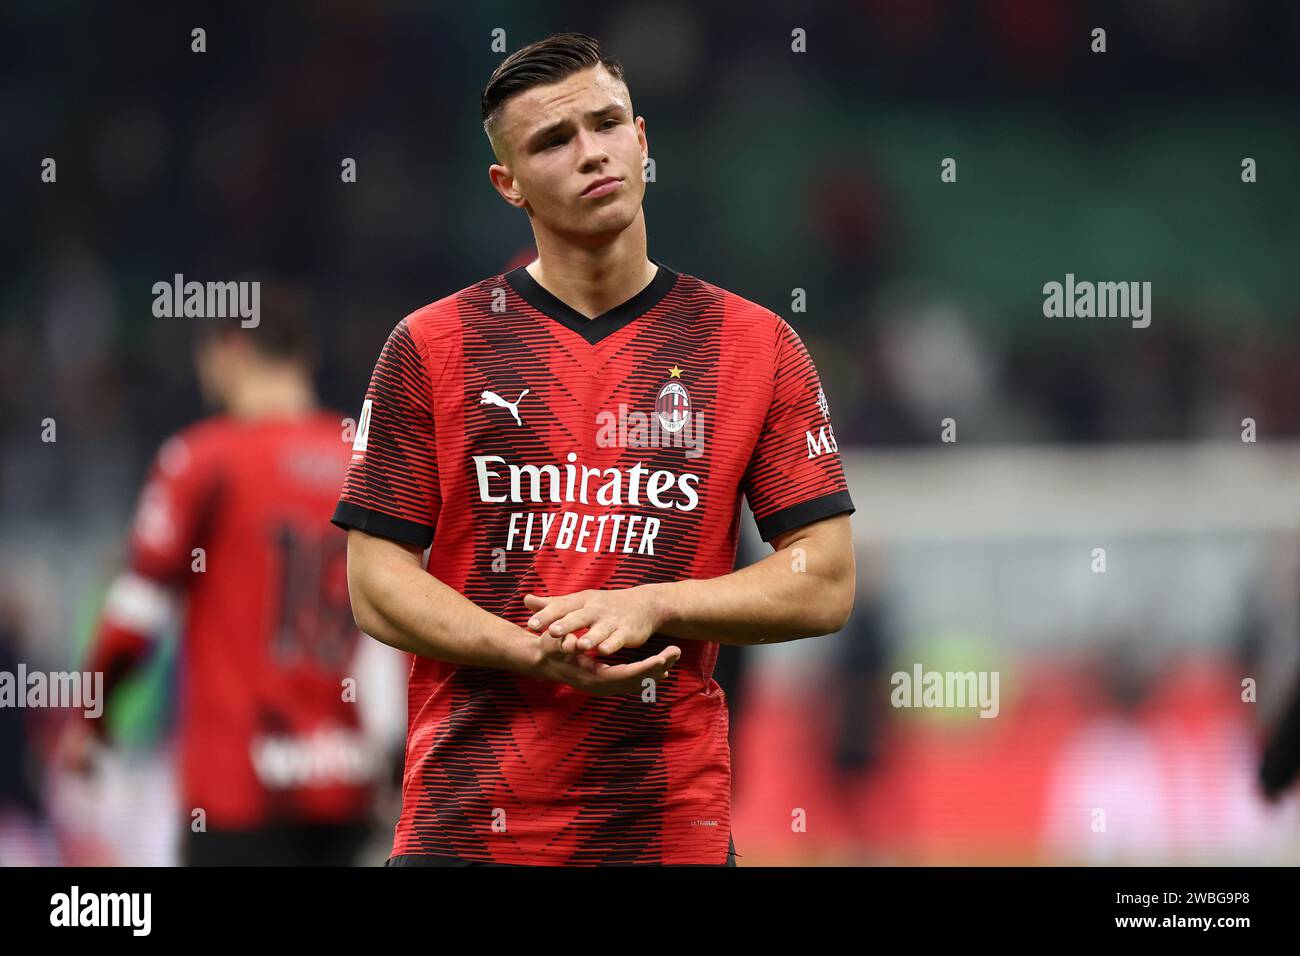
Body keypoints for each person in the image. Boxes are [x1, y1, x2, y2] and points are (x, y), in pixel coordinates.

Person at [334, 33, 857, 867]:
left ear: (643, 139)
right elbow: (375, 584)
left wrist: (655, 604)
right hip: (464, 829)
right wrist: (528, 651)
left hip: (663, 832)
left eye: (606, 124)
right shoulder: (430, 346)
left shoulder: (756, 345)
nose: (591, 154)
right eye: (552, 141)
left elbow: (824, 580)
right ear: (508, 186)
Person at [62, 282, 392, 866]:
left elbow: (134, 617)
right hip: (348, 787)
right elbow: (398, 631)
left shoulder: (203, 461)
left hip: (239, 795)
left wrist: (93, 719)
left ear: (229, 350)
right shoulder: (367, 461)